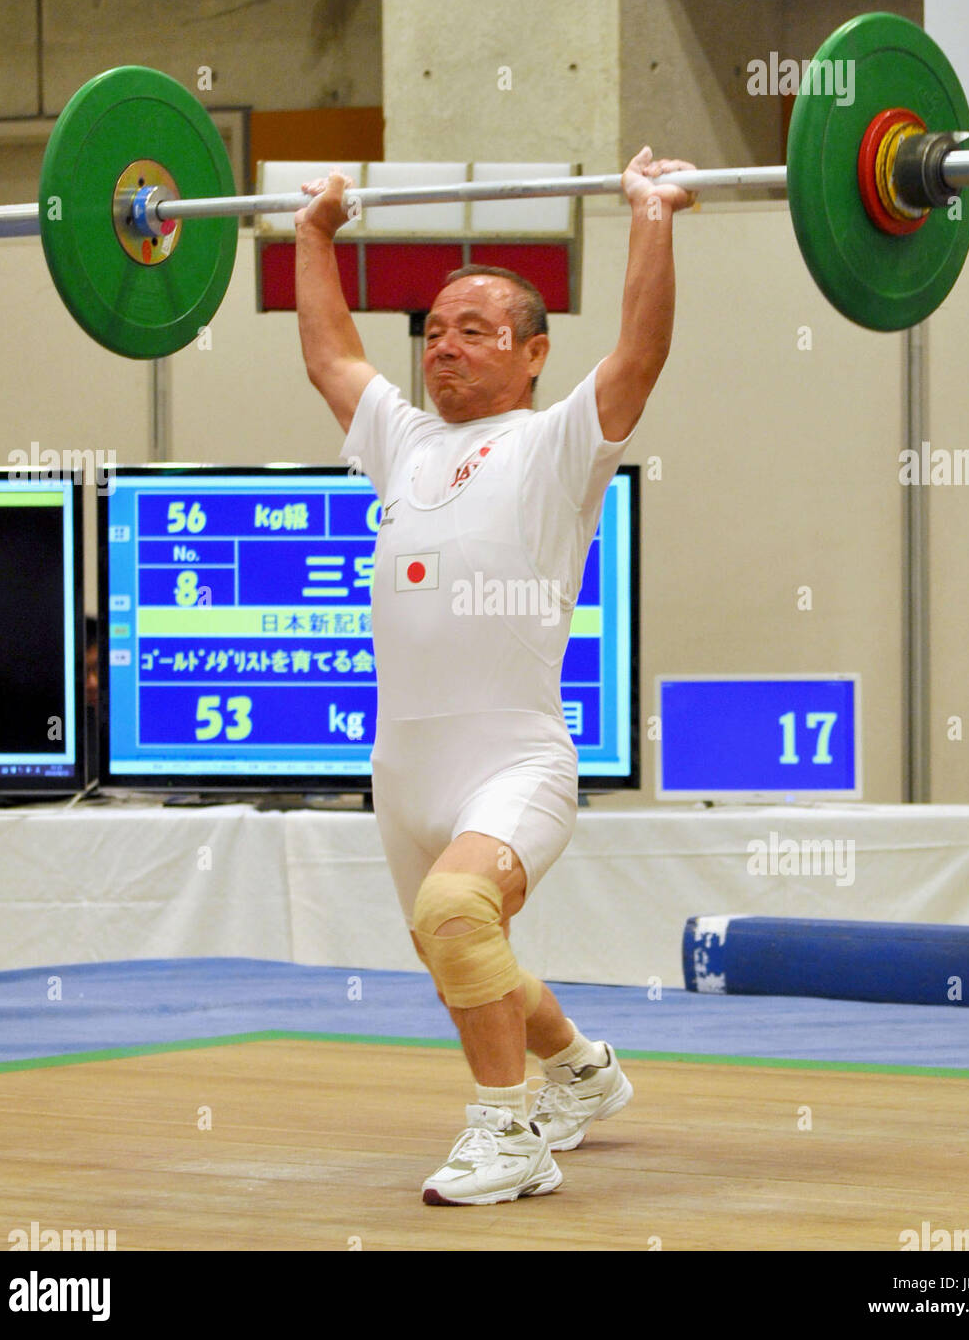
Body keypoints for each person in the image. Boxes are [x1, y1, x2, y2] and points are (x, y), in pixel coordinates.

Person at [295, 146, 696, 1205]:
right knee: (458, 952)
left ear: (530, 353)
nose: (444, 349)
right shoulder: (402, 440)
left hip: (514, 759)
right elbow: (331, 359)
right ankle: (578, 1072)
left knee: (458, 911)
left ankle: (504, 1135)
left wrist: (649, 215)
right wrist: (314, 235)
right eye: (432, 332)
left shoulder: (554, 444)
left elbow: (638, 356)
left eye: (473, 331)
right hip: (405, 766)